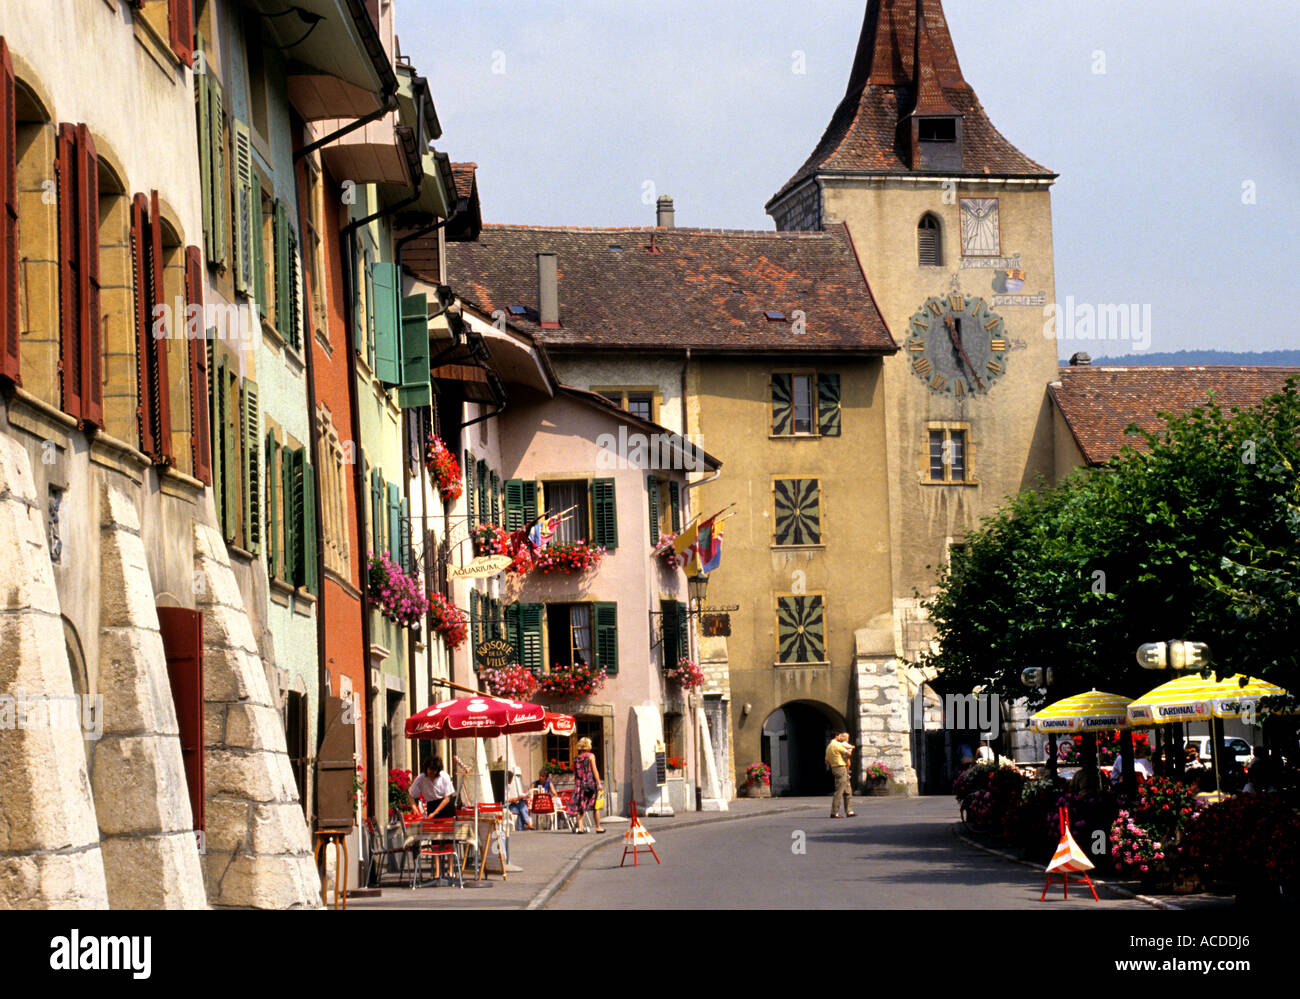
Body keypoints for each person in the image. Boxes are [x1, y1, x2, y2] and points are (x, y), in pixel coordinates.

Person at [407, 756, 456, 879]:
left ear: (438, 770)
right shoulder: (421, 778)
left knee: (448, 838)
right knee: (435, 838)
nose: (431, 772)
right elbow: (411, 794)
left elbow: (447, 798)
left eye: (434, 770)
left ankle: (450, 869)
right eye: (430, 769)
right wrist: (415, 809)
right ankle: (437, 872)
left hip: (445, 806)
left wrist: (435, 813)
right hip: (431, 804)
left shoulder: (444, 777)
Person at [566, 737, 606, 833]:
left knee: (581, 805)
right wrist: (599, 783)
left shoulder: (576, 759)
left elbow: (575, 773)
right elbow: (594, 770)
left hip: (579, 784)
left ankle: (580, 828)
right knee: (595, 806)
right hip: (590, 783)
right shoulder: (590, 756)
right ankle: (598, 827)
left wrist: (577, 785)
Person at [826, 731, 855, 818]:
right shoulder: (837, 745)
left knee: (847, 790)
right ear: (837, 736)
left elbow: (827, 761)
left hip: (834, 767)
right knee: (839, 790)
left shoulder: (828, 747)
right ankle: (834, 812)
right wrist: (849, 750)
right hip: (841, 767)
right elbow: (848, 753)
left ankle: (849, 811)